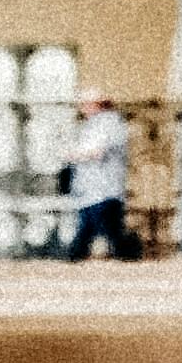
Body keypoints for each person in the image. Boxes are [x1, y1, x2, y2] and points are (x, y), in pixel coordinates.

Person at [64, 93, 131, 258]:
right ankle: (75, 258)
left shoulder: (109, 123)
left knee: (110, 231)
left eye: (85, 104)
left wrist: (73, 154)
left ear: (96, 105)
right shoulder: (94, 124)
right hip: (92, 191)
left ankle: (128, 259)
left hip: (104, 190)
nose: (82, 108)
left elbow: (97, 151)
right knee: (91, 230)